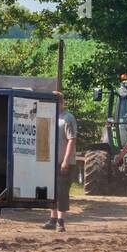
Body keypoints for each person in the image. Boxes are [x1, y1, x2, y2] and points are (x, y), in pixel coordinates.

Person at [45, 93, 77, 233]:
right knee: (51, 191)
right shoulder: (50, 117)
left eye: (56, 102)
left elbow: (72, 140)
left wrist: (65, 160)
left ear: (61, 102)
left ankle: (60, 222)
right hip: (51, 162)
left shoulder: (67, 118)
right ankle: (52, 219)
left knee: (62, 192)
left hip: (64, 162)